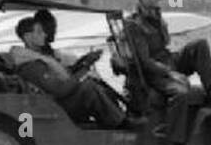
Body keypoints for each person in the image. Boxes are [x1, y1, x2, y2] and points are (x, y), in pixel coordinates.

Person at [123, 0, 211, 145]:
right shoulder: (133, 24)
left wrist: (160, 23)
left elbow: (164, 44)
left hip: (166, 61)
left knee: (199, 46)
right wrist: (170, 73)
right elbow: (144, 61)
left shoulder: (156, 16)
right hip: (152, 72)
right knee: (181, 93)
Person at [8, 17, 136, 128]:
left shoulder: (38, 57)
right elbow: (60, 90)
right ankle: (119, 123)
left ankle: (119, 117)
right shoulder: (31, 64)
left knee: (94, 83)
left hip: (58, 101)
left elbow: (63, 75)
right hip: (55, 107)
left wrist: (81, 63)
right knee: (88, 88)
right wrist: (84, 69)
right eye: (39, 32)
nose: (45, 35)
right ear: (28, 37)